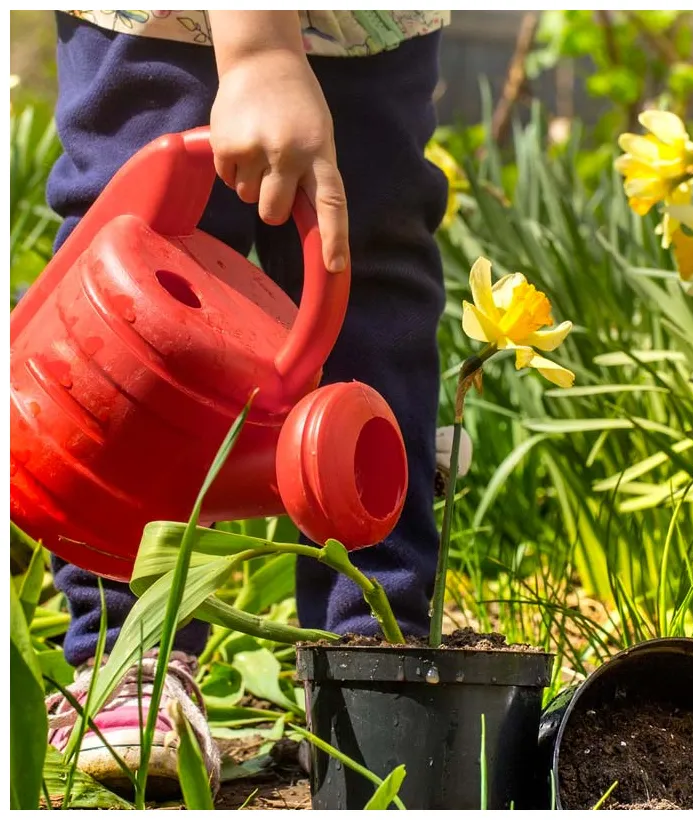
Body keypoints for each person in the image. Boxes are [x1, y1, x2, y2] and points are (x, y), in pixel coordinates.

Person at [39, 10, 461, 797]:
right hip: (174, 27)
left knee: (365, 277)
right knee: (142, 283)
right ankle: (131, 654)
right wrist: (260, 50)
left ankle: (367, 655)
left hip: (371, 28)